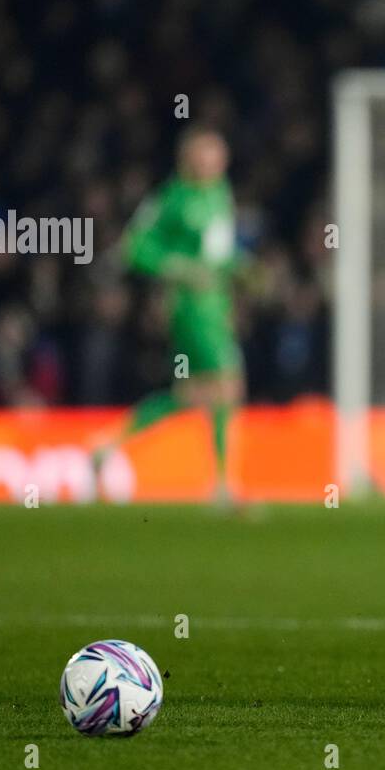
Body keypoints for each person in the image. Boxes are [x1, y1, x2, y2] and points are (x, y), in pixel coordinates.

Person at [93, 128, 244, 503]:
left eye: (220, 154)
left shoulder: (220, 193)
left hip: (216, 304)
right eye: (208, 154)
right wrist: (177, 268)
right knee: (227, 386)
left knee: (192, 394)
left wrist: (242, 271)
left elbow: (217, 254)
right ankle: (222, 484)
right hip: (191, 307)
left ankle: (109, 444)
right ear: (190, 158)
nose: (216, 161)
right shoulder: (173, 197)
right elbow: (133, 247)